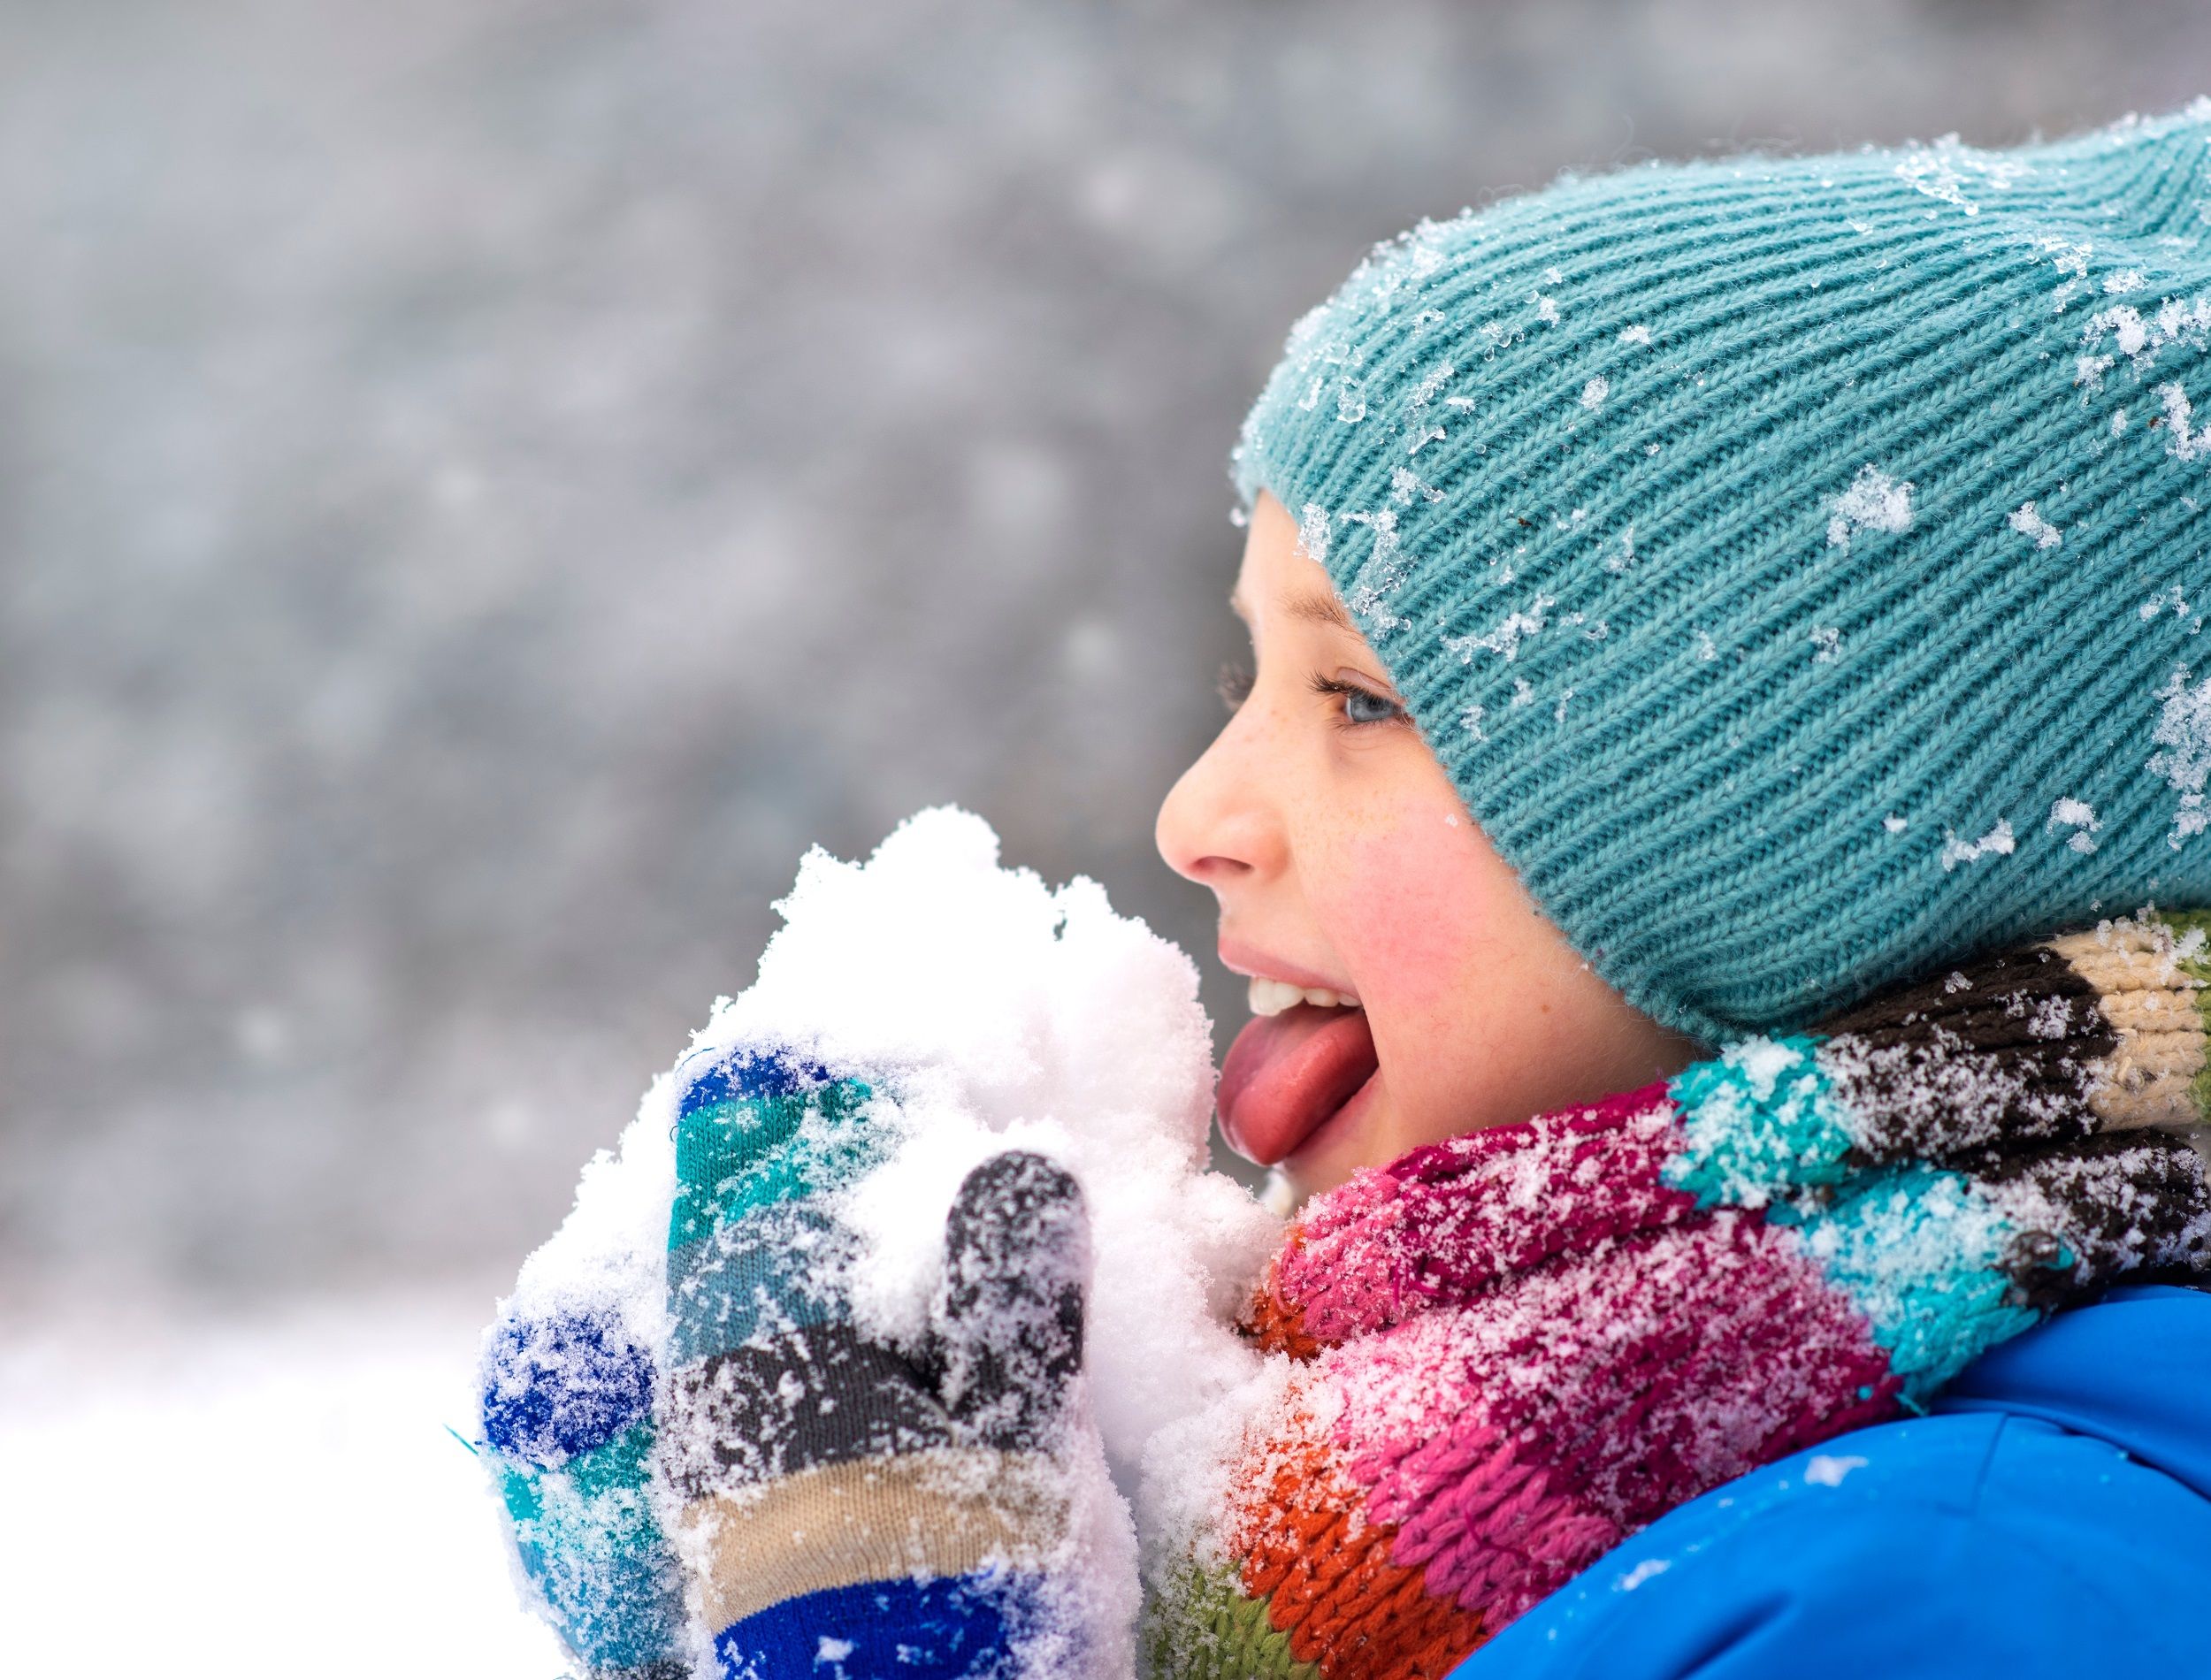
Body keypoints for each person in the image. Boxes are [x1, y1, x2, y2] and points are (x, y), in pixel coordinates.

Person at [484, 103, 2211, 1677]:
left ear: (1824, 843)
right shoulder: (1603, 1499)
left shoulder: (1940, 1596)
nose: (1197, 813)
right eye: (1250, 680)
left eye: (1361, 701)